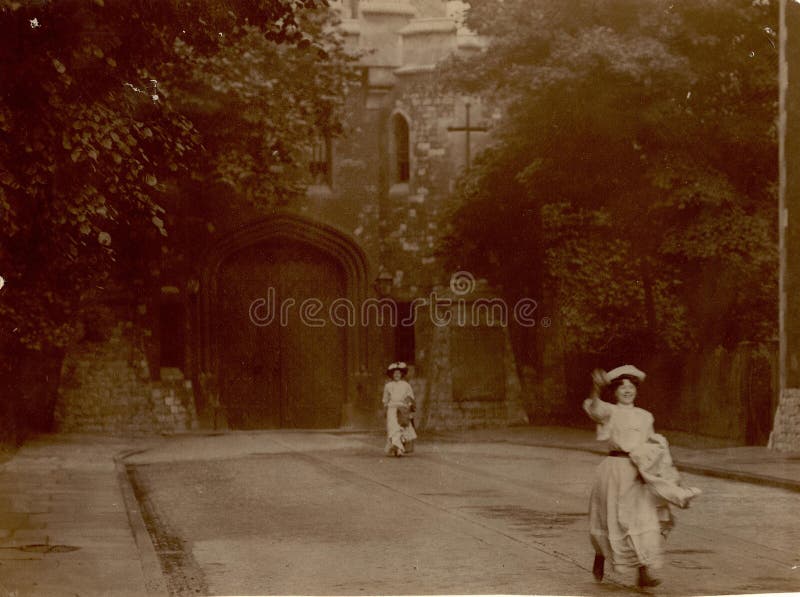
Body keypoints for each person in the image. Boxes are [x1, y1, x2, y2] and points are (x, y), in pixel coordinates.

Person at [583, 365, 701, 588]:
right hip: (614, 472)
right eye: (622, 387)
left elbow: (652, 446)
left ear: (636, 390)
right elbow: (594, 409)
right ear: (615, 391)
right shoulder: (610, 411)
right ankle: (601, 555)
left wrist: (663, 473)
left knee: (642, 519)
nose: (627, 390)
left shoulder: (646, 416)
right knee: (613, 518)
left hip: (638, 473)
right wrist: (596, 388)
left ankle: (643, 572)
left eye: (631, 386)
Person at [382, 362, 417, 456]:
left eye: (398, 373)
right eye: (395, 373)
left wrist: (408, 408)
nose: (397, 375)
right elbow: (385, 399)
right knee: (393, 428)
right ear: (392, 375)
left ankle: (399, 448)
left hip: (402, 409)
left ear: (401, 374)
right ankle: (398, 449)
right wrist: (385, 409)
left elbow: (410, 397)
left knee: (402, 428)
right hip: (392, 409)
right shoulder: (388, 386)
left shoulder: (406, 385)